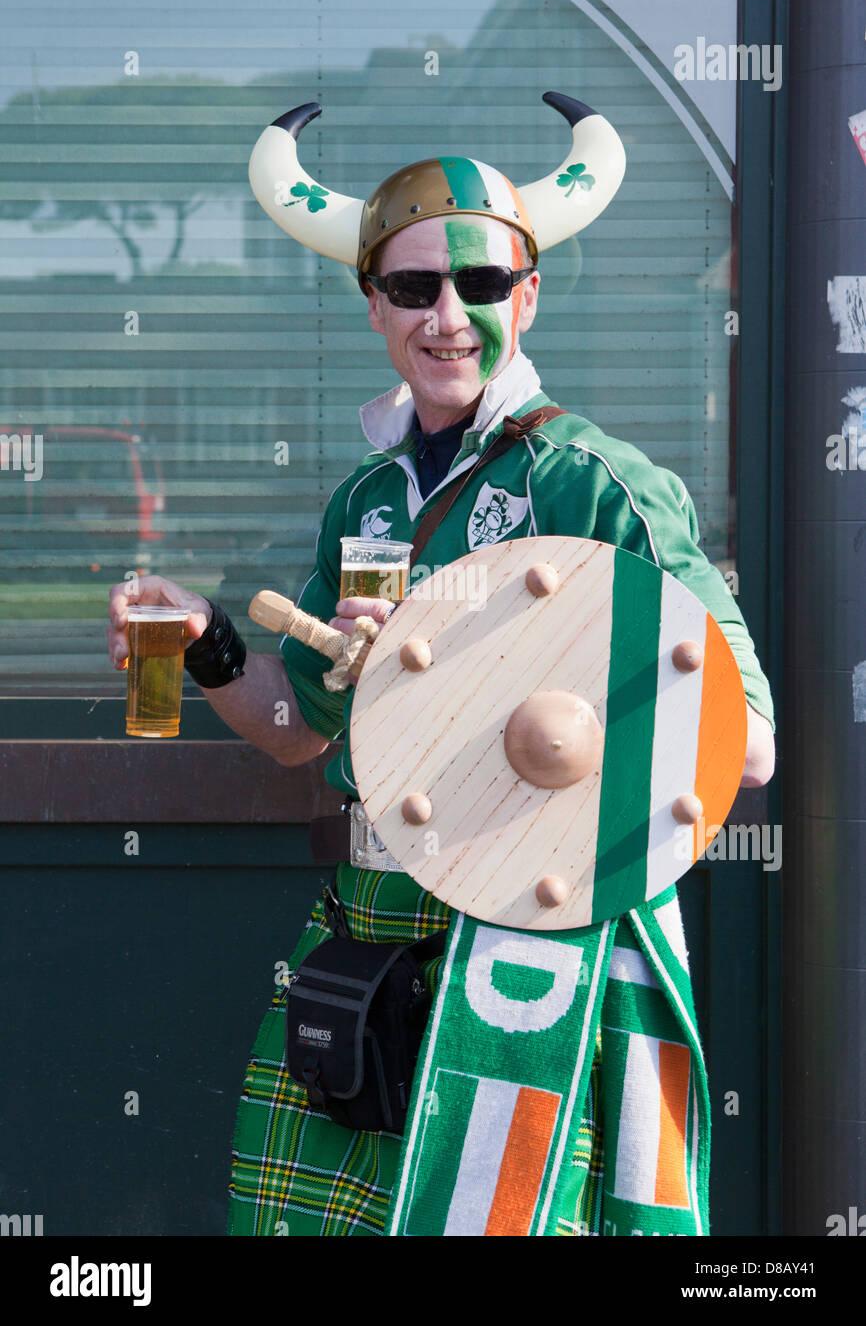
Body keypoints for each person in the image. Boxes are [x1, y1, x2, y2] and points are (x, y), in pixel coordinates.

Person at [106, 92, 774, 1236]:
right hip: (370, 925)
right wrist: (206, 642)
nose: (447, 315)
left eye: (478, 286)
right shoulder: (366, 499)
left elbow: (744, 741)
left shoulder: (594, 484)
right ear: (372, 306)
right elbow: (297, 732)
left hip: (538, 947)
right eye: (413, 287)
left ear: (526, 297)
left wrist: (486, 681)